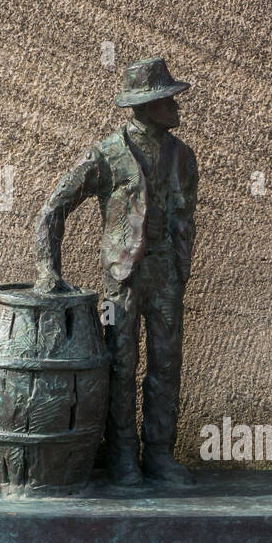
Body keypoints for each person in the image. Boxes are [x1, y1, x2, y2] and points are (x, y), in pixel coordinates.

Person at [34, 57, 197, 486]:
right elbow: (54, 208)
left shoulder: (184, 157)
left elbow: (185, 216)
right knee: (121, 364)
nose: (176, 107)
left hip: (167, 277)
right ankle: (123, 455)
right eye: (167, 99)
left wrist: (181, 265)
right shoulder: (108, 155)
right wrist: (47, 269)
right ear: (144, 106)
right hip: (121, 280)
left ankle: (160, 453)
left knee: (167, 363)